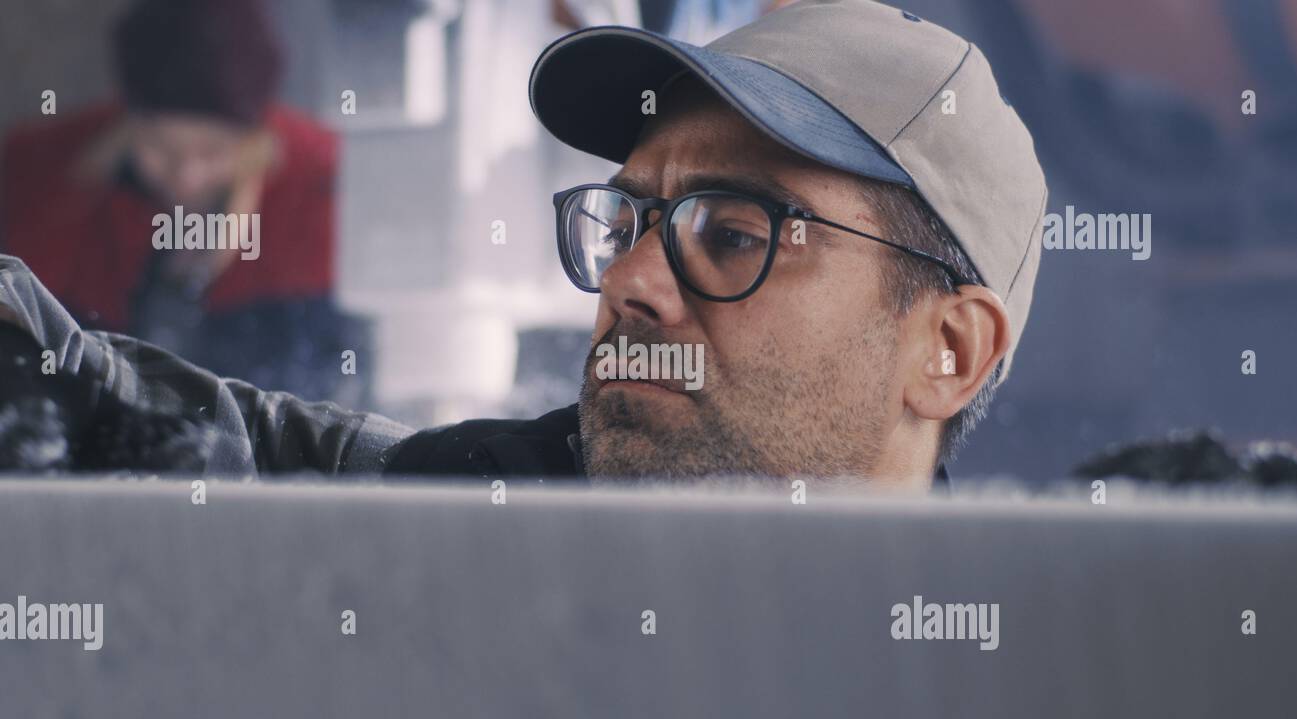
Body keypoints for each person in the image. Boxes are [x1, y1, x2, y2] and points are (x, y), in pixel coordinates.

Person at [0, 0, 1047, 488]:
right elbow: (278, 449)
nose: (629, 281)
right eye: (626, 220)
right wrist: (57, 365)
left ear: (947, 348)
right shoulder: (499, 498)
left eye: (731, 235)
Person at [0, 0, 353, 400]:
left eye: (214, 151)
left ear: (255, 136)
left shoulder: (326, 187)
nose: (188, 174)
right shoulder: (47, 171)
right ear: (127, 123)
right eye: (160, 148)